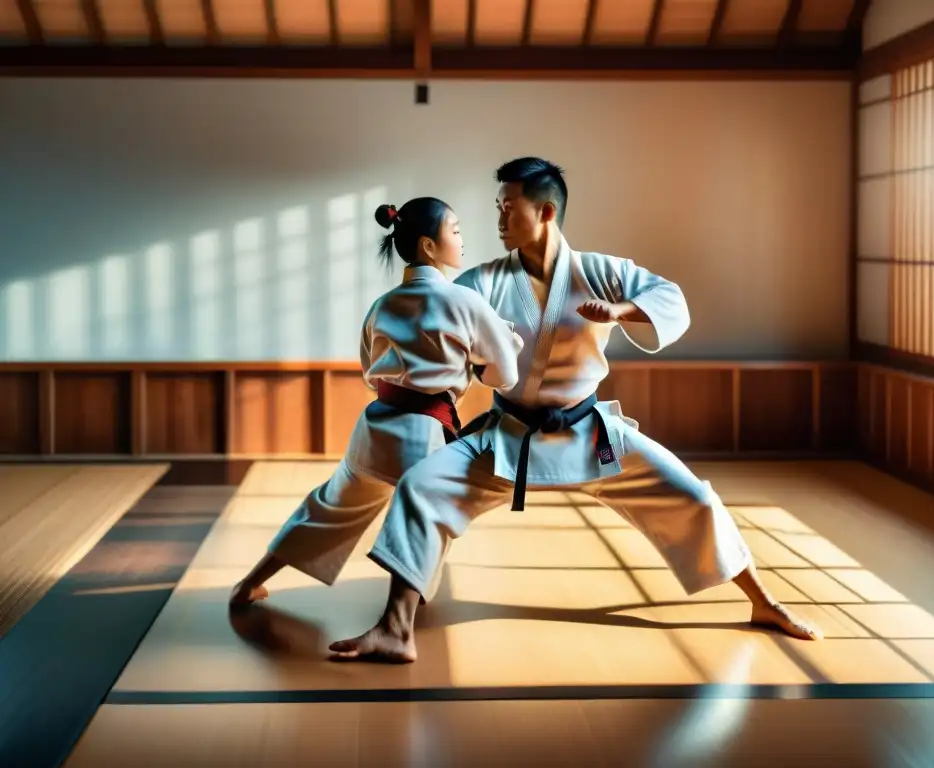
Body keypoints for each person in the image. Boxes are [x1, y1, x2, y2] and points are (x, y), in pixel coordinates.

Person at [329, 158, 823, 664]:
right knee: (422, 488)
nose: (498, 220)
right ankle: (395, 628)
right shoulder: (482, 282)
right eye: (496, 208)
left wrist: (622, 311)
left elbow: (669, 298)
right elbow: (440, 331)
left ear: (545, 212)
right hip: (509, 435)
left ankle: (764, 602)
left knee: (691, 495)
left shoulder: (600, 272)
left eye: (508, 208)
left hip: (591, 434)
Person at [229, 197, 523, 608]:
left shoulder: (382, 305)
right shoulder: (465, 301)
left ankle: (249, 583)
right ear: (428, 246)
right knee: (426, 519)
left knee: (327, 509)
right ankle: (399, 616)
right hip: (423, 434)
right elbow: (504, 375)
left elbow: (370, 368)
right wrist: (504, 344)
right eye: (454, 230)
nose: (461, 237)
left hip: (375, 428)